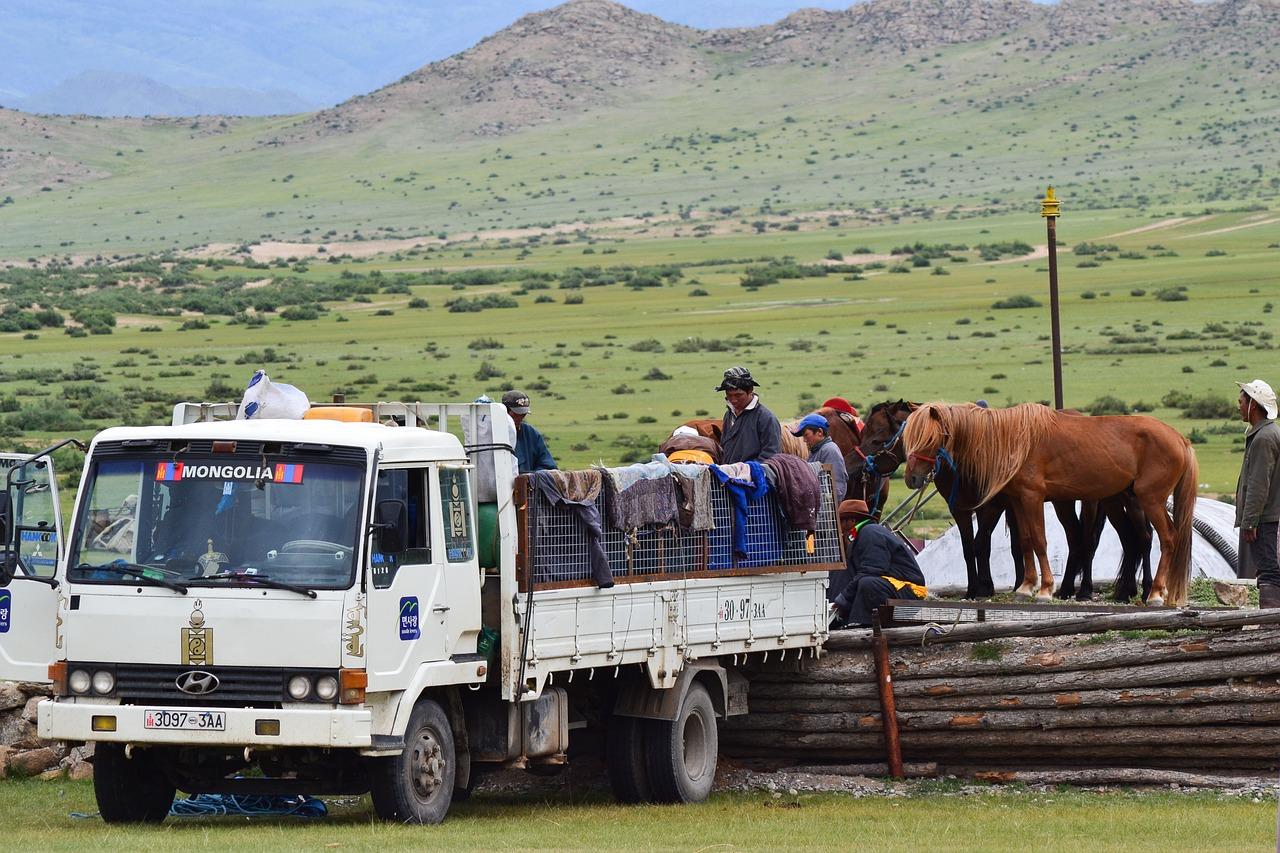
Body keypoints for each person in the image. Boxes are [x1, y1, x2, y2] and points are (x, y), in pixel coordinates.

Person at [830, 499, 927, 627]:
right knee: (840, 570)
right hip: (888, 584)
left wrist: (843, 598)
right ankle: (833, 619)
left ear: (851, 521)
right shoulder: (859, 535)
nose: (840, 528)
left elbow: (872, 570)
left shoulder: (870, 532)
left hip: (907, 590)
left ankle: (862, 623)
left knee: (868, 583)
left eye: (841, 522)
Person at [1235, 379, 1280, 606]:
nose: (1239, 406)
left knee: (1268, 571)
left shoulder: (1263, 438)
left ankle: (1269, 621)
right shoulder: (1269, 433)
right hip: (1269, 514)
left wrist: (1250, 521)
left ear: (1253, 404)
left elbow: (1258, 484)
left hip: (1265, 517)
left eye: (1242, 401)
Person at [717, 366, 781, 464]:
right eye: (729, 395)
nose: (733, 400)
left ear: (750, 390)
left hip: (754, 473)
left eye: (738, 395)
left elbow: (772, 455)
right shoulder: (728, 415)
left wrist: (746, 469)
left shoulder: (766, 418)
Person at [791, 413, 848, 502]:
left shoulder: (830, 450)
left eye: (806, 435)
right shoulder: (815, 451)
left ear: (820, 432)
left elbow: (837, 486)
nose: (804, 440)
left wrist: (827, 503)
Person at [503, 390, 556, 474]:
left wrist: (529, 477)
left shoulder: (531, 433)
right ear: (504, 412)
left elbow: (548, 467)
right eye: (515, 414)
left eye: (523, 415)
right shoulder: (492, 433)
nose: (519, 418)